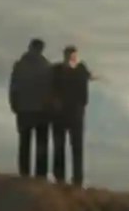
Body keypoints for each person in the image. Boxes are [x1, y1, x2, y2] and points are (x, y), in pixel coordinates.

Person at [51, 45, 95, 187]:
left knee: (64, 148)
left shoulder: (58, 71)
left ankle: (64, 179)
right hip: (72, 115)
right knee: (73, 149)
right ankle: (73, 180)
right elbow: (84, 97)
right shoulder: (79, 72)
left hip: (65, 115)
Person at [8, 38, 53, 178]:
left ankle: (24, 174)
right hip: (42, 111)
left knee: (24, 144)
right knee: (41, 145)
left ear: (30, 47)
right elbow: (51, 89)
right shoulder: (46, 66)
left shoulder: (20, 65)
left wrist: (14, 105)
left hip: (24, 110)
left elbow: (13, 88)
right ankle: (41, 176)